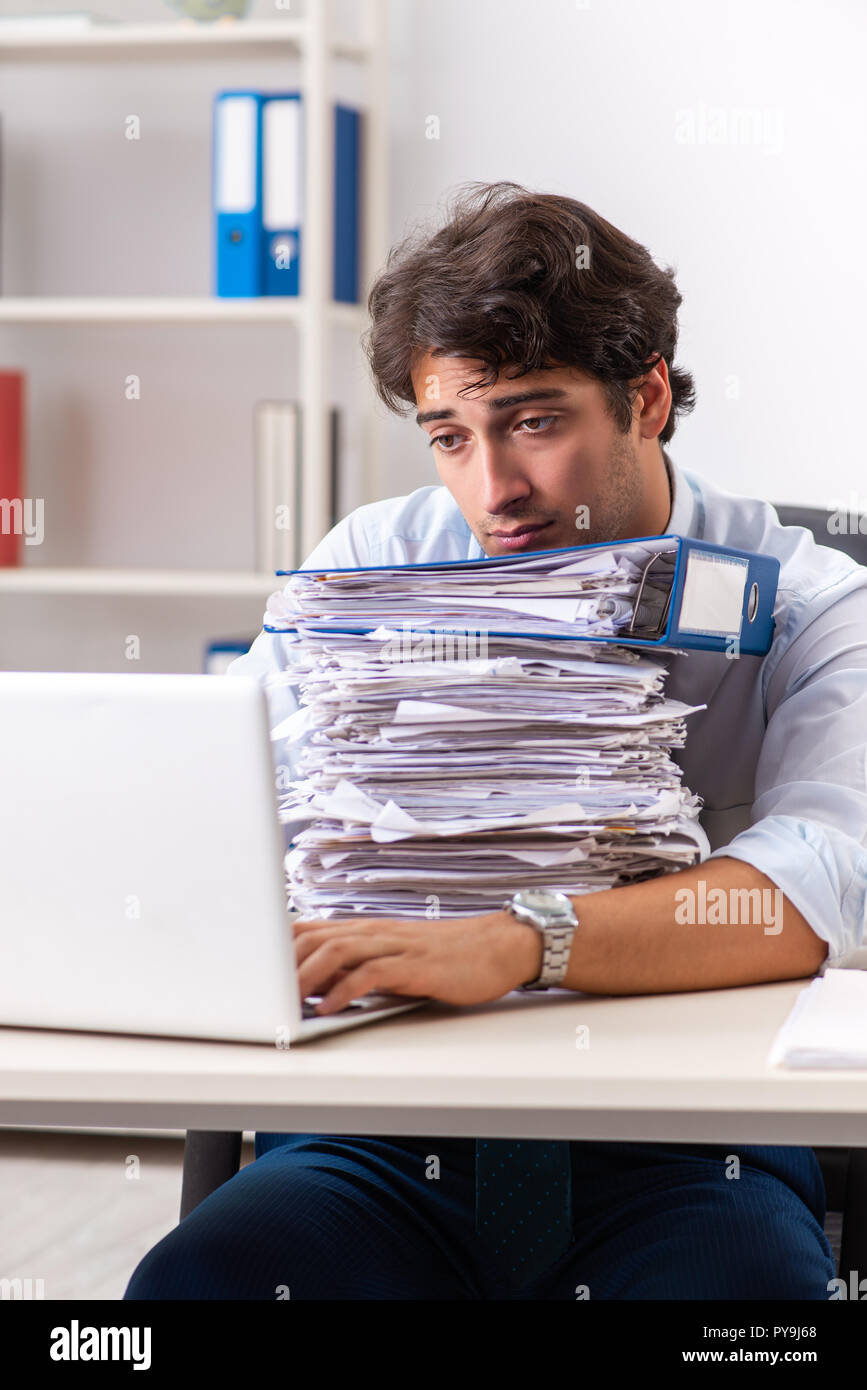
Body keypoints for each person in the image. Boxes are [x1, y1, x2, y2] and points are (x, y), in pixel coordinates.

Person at [124, 181, 866, 1301]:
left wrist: (527, 941)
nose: (493, 490)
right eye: (449, 437)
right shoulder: (363, 571)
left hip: (682, 1145)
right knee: (200, 1290)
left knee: (749, 1314)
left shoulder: (814, 607)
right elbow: (224, 826)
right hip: (377, 1127)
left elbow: (826, 882)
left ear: (647, 395)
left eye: (533, 421)